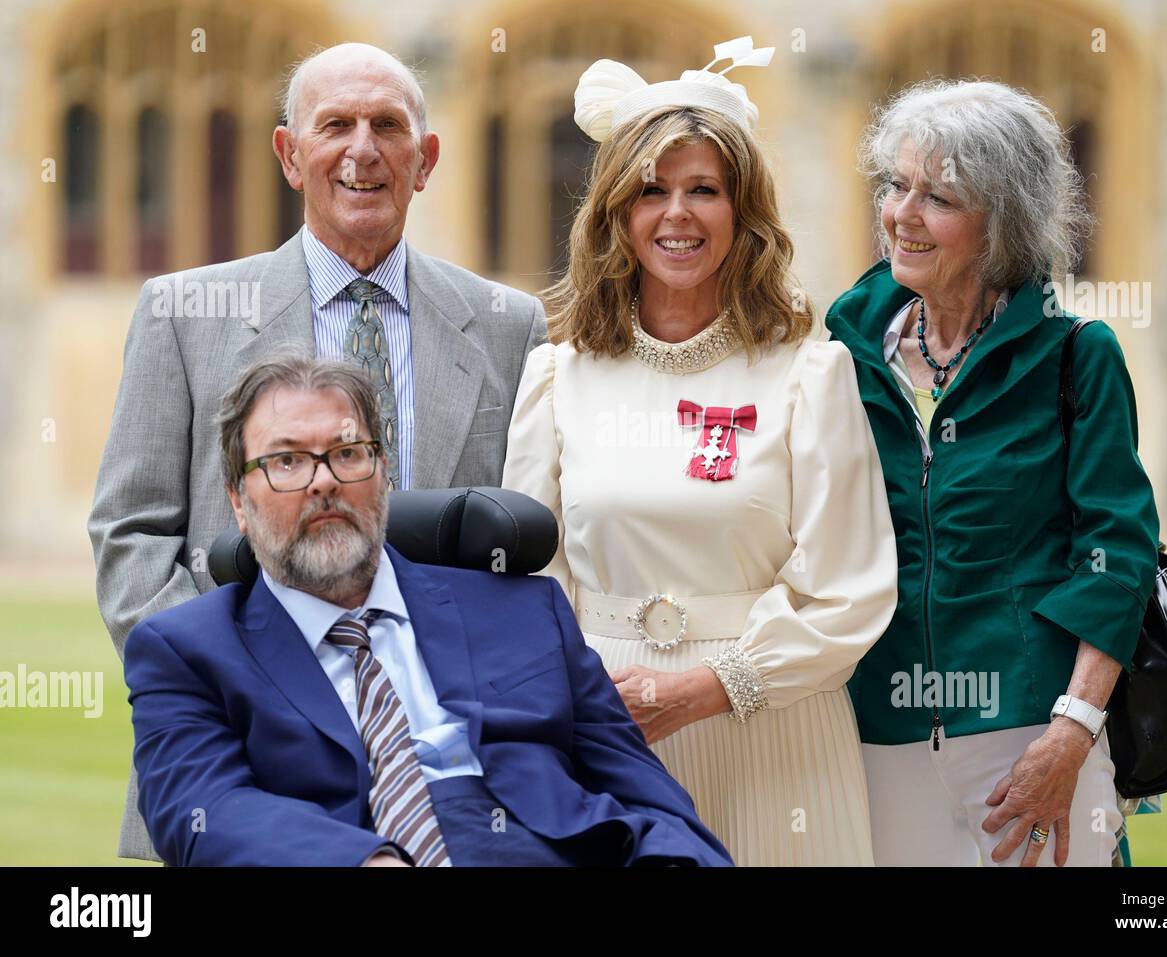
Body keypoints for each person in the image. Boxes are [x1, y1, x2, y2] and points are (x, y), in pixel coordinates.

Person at [88, 42, 546, 861]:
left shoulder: (509, 325)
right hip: (239, 762)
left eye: (388, 126)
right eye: (334, 124)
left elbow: (517, 548)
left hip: (449, 772)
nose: (362, 149)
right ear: (289, 155)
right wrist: (232, 688)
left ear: (426, 159)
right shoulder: (183, 312)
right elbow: (132, 535)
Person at [502, 38, 898, 866]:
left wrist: (706, 688)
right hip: (605, 736)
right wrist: (582, 700)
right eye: (651, 190)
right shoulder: (556, 376)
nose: (676, 214)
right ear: (617, 212)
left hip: (778, 736)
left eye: (704, 190)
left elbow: (849, 589)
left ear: (743, 211)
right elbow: (530, 586)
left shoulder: (810, 372)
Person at [123, 352, 730, 867]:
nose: (323, 482)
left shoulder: (524, 610)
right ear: (237, 500)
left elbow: (651, 801)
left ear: (382, 473)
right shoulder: (188, 650)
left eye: (348, 453)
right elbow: (203, 811)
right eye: (286, 462)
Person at [825, 79, 1160, 866]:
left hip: (1031, 732)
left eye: (938, 197)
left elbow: (1117, 555)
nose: (904, 214)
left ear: (1002, 222)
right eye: (896, 185)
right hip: (880, 731)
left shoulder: (1078, 353)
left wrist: (1072, 734)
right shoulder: (840, 349)